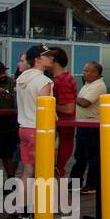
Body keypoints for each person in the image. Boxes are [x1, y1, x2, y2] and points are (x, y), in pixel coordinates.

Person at [14, 45, 56, 219]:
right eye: (48, 56)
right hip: (39, 129)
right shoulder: (43, 81)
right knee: (43, 171)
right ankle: (37, 213)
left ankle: (23, 211)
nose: (52, 59)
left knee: (27, 171)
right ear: (38, 59)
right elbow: (44, 109)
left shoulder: (22, 78)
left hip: (24, 127)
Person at [71, 62, 107, 195]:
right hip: (83, 124)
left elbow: (85, 103)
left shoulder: (98, 86)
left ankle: (92, 184)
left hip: (92, 125)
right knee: (80, 155)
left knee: (92, 156)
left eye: (87, 71)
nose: (84, 73)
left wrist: (72, 97)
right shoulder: (89, 84)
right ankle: (75, 181)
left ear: (96, 73)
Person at [46, 47, 77, 178]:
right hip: (62, 133)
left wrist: (46, 104)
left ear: (54, 61)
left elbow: (69, 109)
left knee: (57, 170)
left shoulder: (62, 81)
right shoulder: (65, 78)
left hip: (61, 131)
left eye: (47, 57)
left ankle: (62, 198)